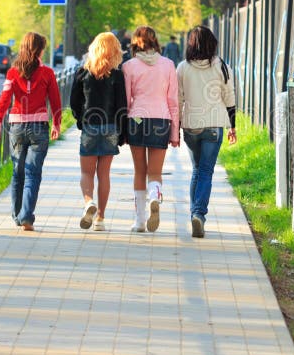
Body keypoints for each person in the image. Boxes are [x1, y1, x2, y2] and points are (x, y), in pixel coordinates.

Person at [0, 32, 62, 231]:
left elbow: (5, 99)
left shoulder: (13, 72)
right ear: (39, 49)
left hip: (16, 127)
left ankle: (18, 216)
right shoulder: (47, 73)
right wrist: (57, 123)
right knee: (33, 174)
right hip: (39, 128)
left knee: (17, 173)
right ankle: (26, 217)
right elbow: (55, 101)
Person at [177, 26, 237, 238]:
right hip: (213, 125)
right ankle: (198, 214)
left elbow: (178, 99)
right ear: (212, 43)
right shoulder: (221, 66)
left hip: (191, 125)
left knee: (196, 170)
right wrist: (233, 125)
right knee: (205, 171)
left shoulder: (182, 68)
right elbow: (229, 97)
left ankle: (196, 213)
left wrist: (175, 126)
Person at [122, 25, 179, 233]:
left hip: (137, 119)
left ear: (135, 42)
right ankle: (155, 195)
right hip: (161, 120)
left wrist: (126, 130)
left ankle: (139, 221)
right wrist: (174, 133)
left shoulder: (128, 66)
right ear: (155, 41)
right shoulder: (169, 65)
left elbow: (127, 101)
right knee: (155, 172)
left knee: (140, 171)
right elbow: (173, 101)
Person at [69, 32, 128, 232]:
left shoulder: (82, 72)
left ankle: (88, 203)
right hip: (111, 126)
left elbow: (74, 102)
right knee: (104, 174)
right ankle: (101, 218)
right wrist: (122, 132)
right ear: (115, 51)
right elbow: (122, 106)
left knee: (86, 172)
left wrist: (80, 120)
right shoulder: (118, 75)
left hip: (90, 126)